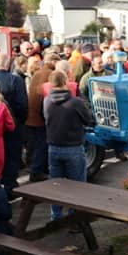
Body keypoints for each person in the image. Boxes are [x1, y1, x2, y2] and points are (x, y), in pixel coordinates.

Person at [43, 70, 95, 221]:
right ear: (65, 82)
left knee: (56, 185)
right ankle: (75, 220)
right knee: (77, 186)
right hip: (73, 147)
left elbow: (46, 118)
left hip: (53, 147)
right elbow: (88, 120)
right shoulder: (75, 102)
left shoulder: (46, 101)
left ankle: (56, 217)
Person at [0, 53, 28, 197]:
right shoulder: (16, 80)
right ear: (7, 65)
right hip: (12, 125)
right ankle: (10, 186)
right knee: (11, 157)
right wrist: (20, 121)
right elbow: (22, 105)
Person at [25, 54, 57, 182]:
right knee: (41, 145)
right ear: (53, 62)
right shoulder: (50, 74)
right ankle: (36, 171)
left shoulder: (38, 73)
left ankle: (35, 167)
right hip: (40, 116)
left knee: (35, 144)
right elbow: (44, 95)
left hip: (31, 114)